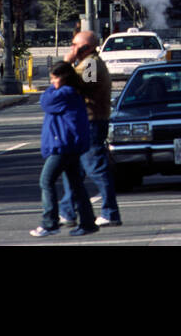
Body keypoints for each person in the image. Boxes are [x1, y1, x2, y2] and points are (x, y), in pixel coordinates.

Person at [59, 31, 121, 228]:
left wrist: (66, 64)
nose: (72, 48)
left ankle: (110, 212)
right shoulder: (87, 63)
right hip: (83, 122)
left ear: (85, 47)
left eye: (75, 45)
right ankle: (68, 211)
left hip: (92, 122)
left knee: (95, 166)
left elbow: (81, 86)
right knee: (73, 169)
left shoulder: (91, 64)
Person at [33, 61, 97, 237]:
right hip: (70, 145)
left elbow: (45, 101)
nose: (52, 83)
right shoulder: (72, 93)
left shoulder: (65, 93)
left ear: (63, 78)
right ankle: (88, 222)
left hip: (63, 145)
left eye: (54, 79)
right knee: (76, 185)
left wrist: (52, 89)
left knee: (46, 181)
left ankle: (50, 223)